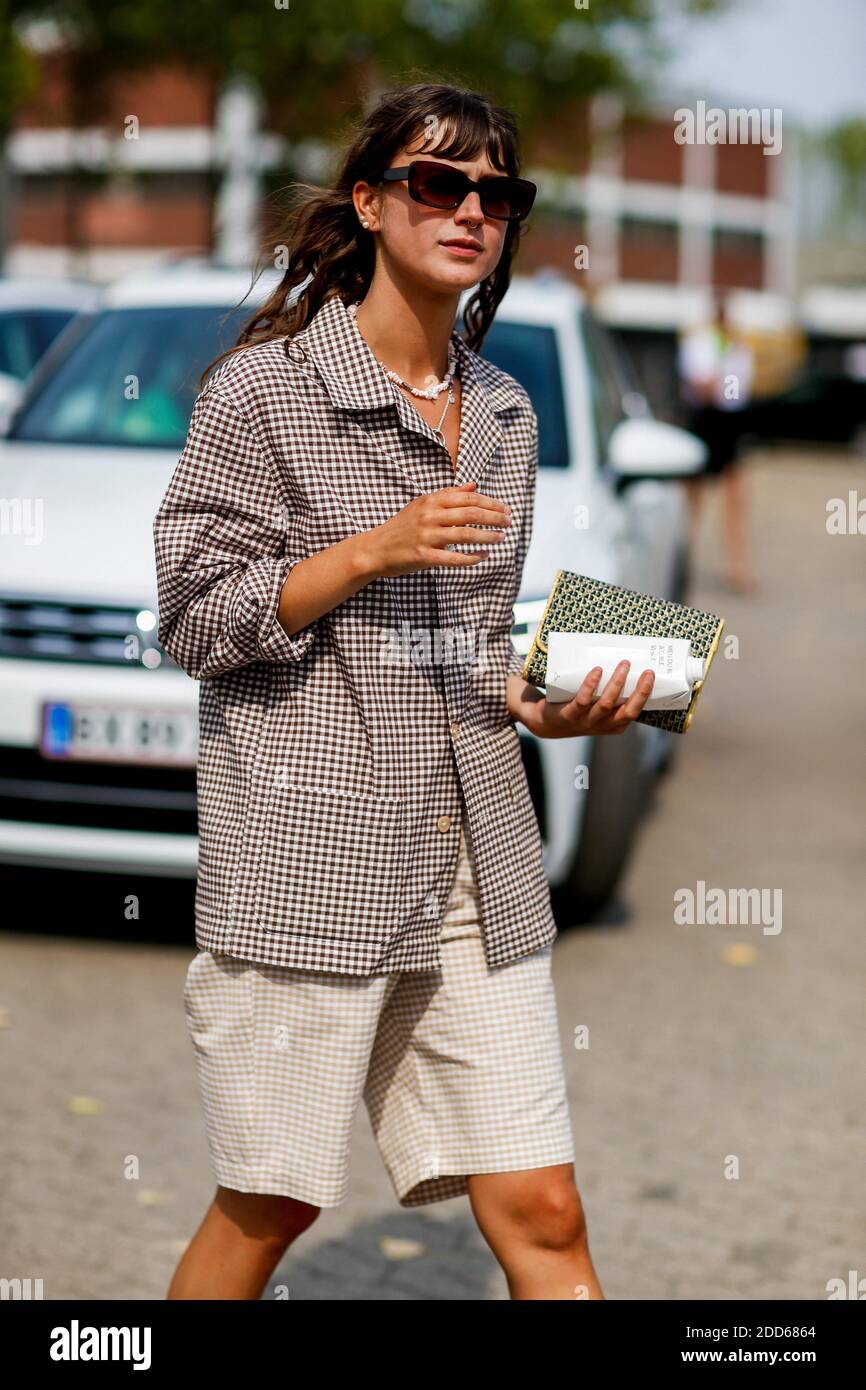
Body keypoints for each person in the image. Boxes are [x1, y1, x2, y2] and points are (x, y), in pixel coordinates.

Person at [154, 79, 658, 1302]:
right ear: (373, 203)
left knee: (543, 1205)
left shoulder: (504, 411)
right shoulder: (262, 394)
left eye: (497, 191)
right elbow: (192, 620)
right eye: (439, 182)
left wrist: (544, 699)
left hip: (474, 859)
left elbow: (472, 647)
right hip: (310, 857)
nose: (471, 209)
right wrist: (367, 549)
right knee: (272, 1199)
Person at [678, 294, 758, 594]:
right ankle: (681, 558)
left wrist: (717, 382)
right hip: (704, 422)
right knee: (691, 500)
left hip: (728, 426)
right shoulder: (697, 342)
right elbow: (701, 388)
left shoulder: (740, 346)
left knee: (735, 502)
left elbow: (738, 391)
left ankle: (738, 567)